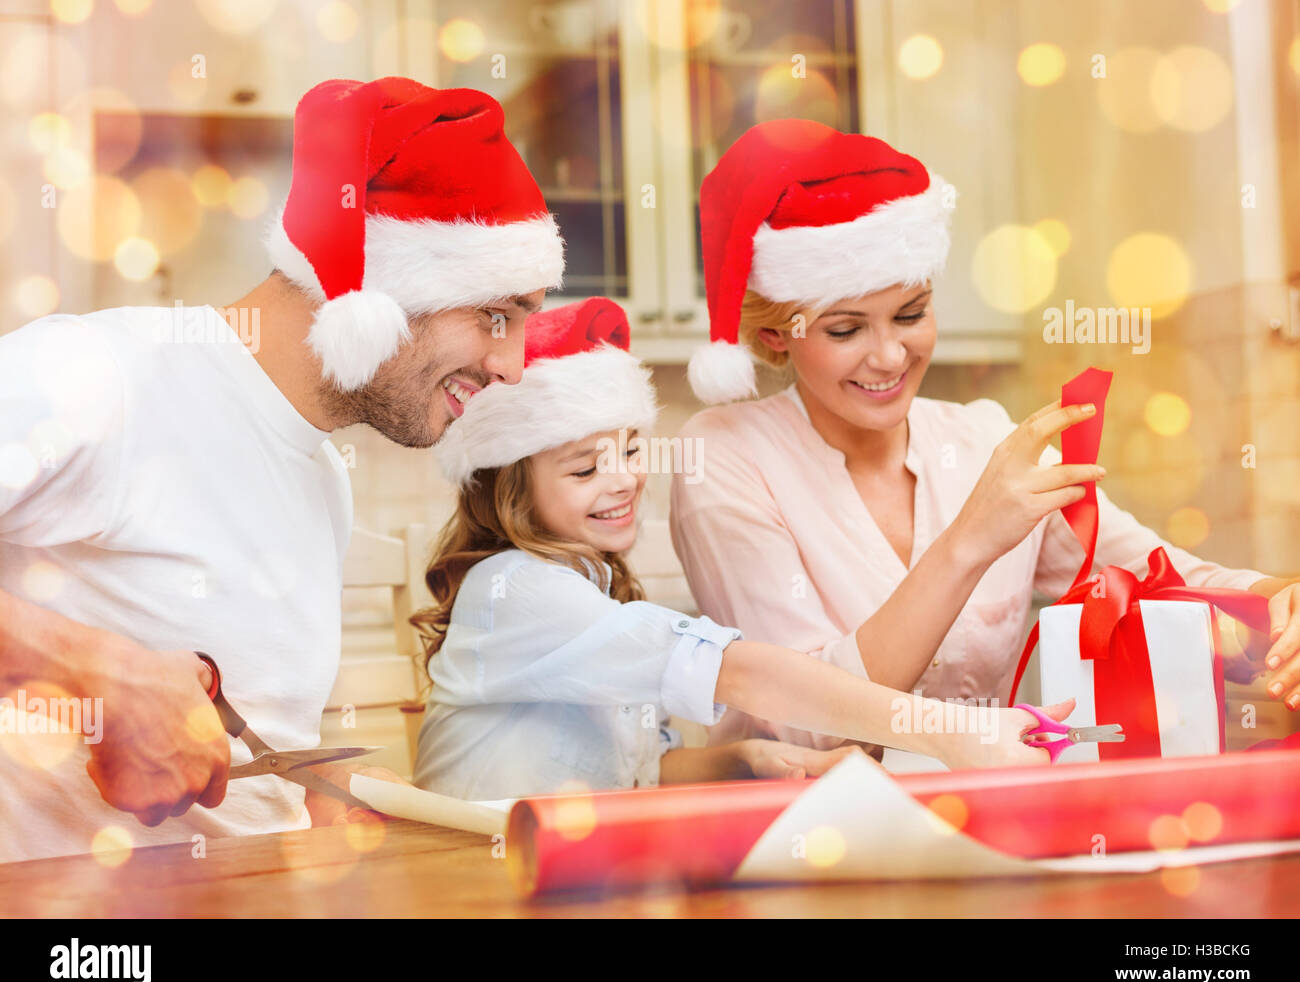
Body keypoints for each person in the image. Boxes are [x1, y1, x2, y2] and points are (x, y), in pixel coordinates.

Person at [0, 77, 564, 862]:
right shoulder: (103, 375)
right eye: (495, 314)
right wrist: (101, 673)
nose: (511, 364)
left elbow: (272, 779)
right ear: (382, 286)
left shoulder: (320, 475)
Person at [669, 119, 1300, 753]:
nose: (890, 356)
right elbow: (810, 724)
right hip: (808, 835)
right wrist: (972, 537)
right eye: (844, 331)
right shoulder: (726, 457)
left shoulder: (983, 437)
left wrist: (1275, 602)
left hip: (990, 818)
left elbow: (1159, 576)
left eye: (911, 315)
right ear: (778, 334)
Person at [409, 298, 1066, 801]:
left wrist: (750, 760)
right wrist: (954, 732)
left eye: (631, 451)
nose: (623, 480)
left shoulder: (595, 591)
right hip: (476, 878)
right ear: (510, 495)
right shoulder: (520, 590)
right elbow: (744, 672)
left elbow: (639, 773)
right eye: (584, 470)